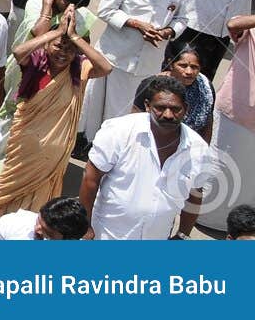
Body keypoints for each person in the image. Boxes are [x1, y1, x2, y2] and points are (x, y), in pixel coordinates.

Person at [0, 5, 112, 215]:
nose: (63, 53)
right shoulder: (36, 64)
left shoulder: (79, 71)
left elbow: (105, 67)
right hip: (24, 153)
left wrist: (74, 37)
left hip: (53, 159)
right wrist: (56, 32)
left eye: (69, 49)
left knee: (37, 213)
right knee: (4, 205)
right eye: (58, 46)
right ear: (47, 45)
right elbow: (18, 51)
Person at [81, 74, 212, 239]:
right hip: (108, 234)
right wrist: (85, 226)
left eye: (175, 109)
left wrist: (183, 234)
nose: (168, 115)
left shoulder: (198, 149)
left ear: (185, 108)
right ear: (148, 106)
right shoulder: (119, 131)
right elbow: (90, 178)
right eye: (160, 107)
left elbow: (195, 195)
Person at [82, 0, 186, 136]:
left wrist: (168, 32)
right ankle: (98, 147)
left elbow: (183, 17)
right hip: (117, 58)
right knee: (105, 113)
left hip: (149, 63)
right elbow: (105, 10)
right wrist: (136, 24)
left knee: (135, 115)